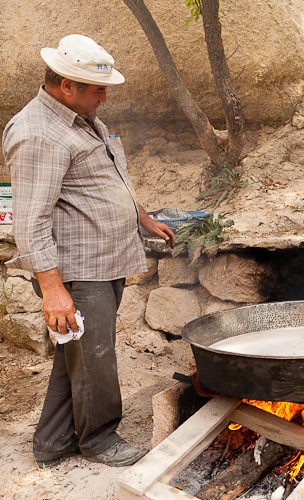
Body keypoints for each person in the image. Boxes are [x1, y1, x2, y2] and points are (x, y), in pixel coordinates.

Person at [2, 34, 175, 468]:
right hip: (79, 272)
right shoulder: (39, 134)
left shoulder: (78, 118)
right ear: (66, 85)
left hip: (104, 259)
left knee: (75, 354)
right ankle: (98, 440)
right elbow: (30, 219)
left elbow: (105, 176)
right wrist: (53, 290)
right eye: (98, 89)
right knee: (95, 357)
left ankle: (53, 441)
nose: (104, 97)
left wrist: (142, 216)